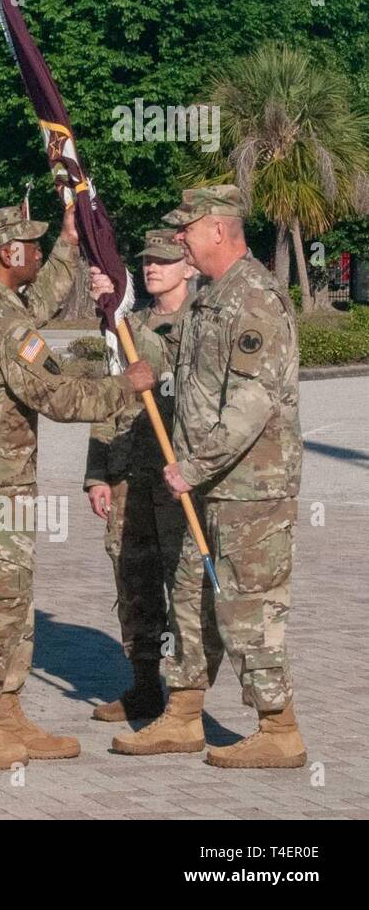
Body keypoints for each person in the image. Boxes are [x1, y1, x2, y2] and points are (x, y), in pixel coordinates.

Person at [0, 204, 154, 773]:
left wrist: (68, 247)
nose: (35, 249)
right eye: (30, 244)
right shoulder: (6, 325)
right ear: (7, 254)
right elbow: (60, 398)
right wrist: (124, 385)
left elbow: (34, 301)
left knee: (1, 603)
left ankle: (5, 715)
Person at [94, 185, 305, 768]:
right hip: (205, 485)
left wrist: (193, 466)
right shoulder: (214, 298)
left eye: (186, 227)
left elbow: (251, 404)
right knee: (192, 599)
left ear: (218, 229)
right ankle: (184, 715)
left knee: (246, 604)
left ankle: (278, 726)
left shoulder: (254, 298)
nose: (179, 237)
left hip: (249, 488)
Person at [83, 229, 196, 723]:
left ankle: (188, 696)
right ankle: (145, 685)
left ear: (189, 267)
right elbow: (110, 397)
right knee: (135, 583)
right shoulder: (126, 327)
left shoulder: (202, 324)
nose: (152, 268)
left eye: (165, 261)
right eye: (147, 260)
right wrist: (97, 474)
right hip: (131, 474)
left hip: (179, 478)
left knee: (186, 587)